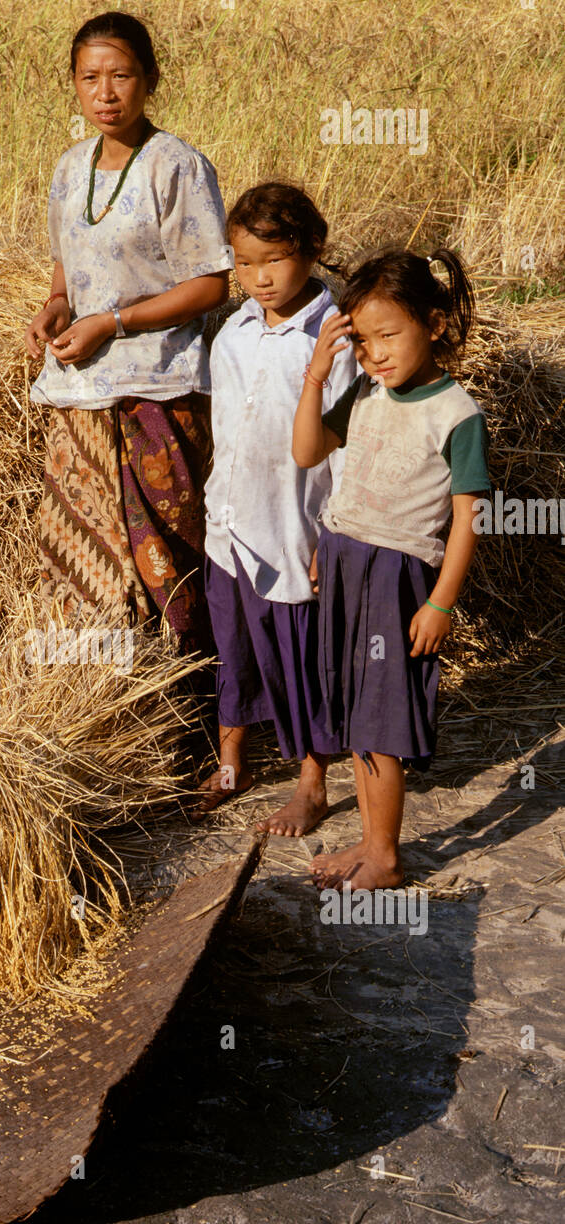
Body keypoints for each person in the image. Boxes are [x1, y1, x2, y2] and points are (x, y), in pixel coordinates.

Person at [25, 10, 233, 651]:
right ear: (73, 84)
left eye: (121, 76)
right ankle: (109, 698)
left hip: (159, 390)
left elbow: (210, 284)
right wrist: (56, 305)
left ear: (150, 79)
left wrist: (112, 322)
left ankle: (192, 704)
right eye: (90, 78)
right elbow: (69, 263)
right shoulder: (69, 168)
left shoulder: (176, 167)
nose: (106, 94)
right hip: (81, 395)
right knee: (85, 560)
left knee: (170, 560)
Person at [292, 247, 490, 889]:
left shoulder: (456, 415)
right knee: (355, 709)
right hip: (346, 563)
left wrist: (441, 603)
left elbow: (468, 520)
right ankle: (372, 840)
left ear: (433, 324)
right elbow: (306, 454)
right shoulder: (364, 392)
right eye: (364, 340)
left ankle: (385, 855)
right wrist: (318, 376)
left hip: (396, 579)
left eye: (389, 335)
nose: (375, 352)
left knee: (382, 715)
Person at [193, 182, 361, 831]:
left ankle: (313, 781)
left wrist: (334, 532)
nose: (258, 278)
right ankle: (230, 757)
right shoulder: (232, 333)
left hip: (294, 524)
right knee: (233, 644)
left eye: (274, 259)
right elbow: (226, 429)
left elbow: (345, 447)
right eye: (244, 262)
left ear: (311, 251)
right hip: (229, 522)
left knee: (299, 655)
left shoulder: (332, 337)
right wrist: (216, 505)